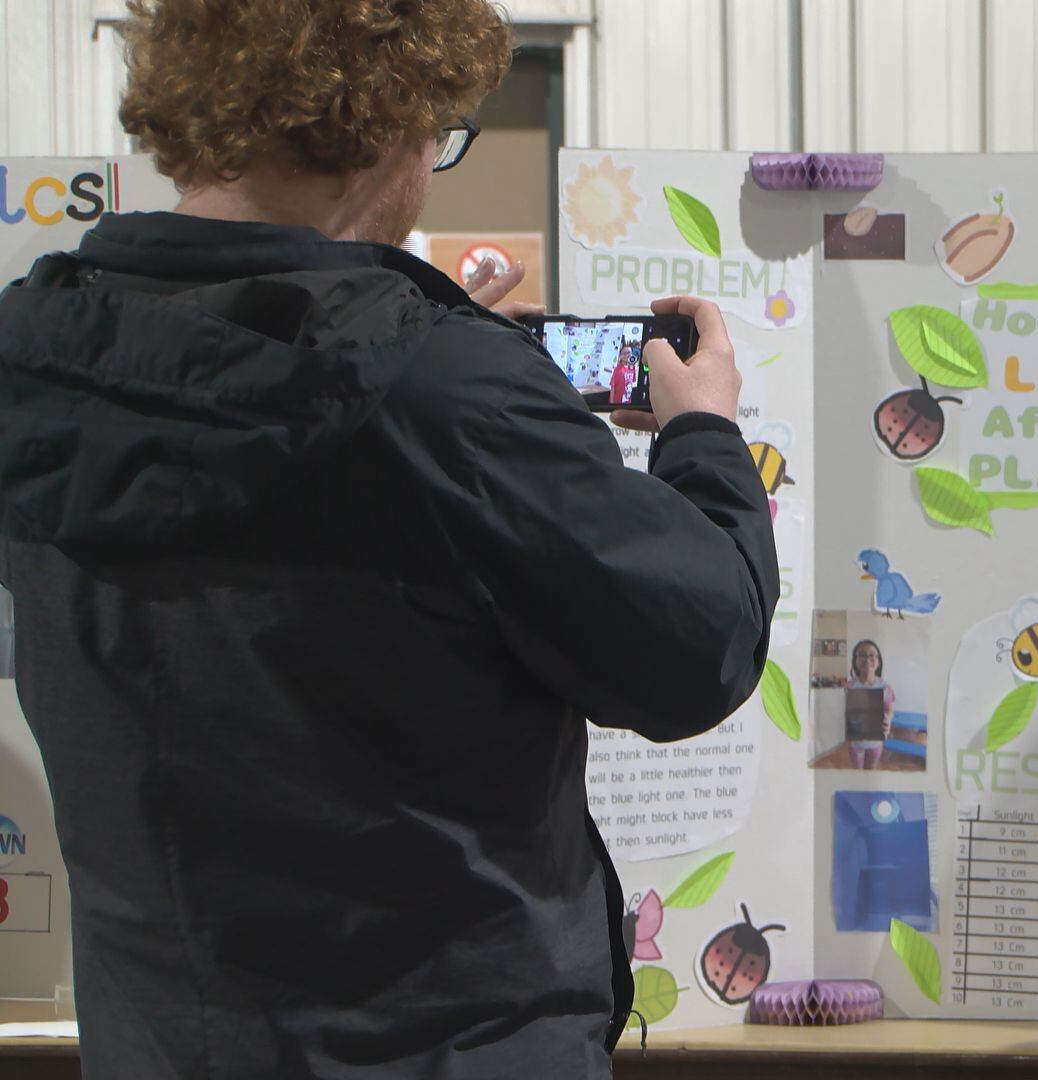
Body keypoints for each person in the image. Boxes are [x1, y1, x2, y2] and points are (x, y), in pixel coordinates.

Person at [0, 2, 775, 1077]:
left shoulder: (32, 359)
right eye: (442, 132)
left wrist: (453, 363)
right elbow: (699, 650)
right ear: (381, 123)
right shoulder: (443, 394)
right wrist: (702, 434)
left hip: (160, 1047)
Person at [845, 639, 894, 769]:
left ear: (878, 662)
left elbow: (888, 709)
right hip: (855, 743)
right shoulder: (848, 687)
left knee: (871, 769)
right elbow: (842, 713)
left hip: (876, 743)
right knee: (857, 770)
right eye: (862, 655)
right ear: (855, 661)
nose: (867, 658)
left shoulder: (885, 687)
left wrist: (888, 719)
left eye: (872, 655)